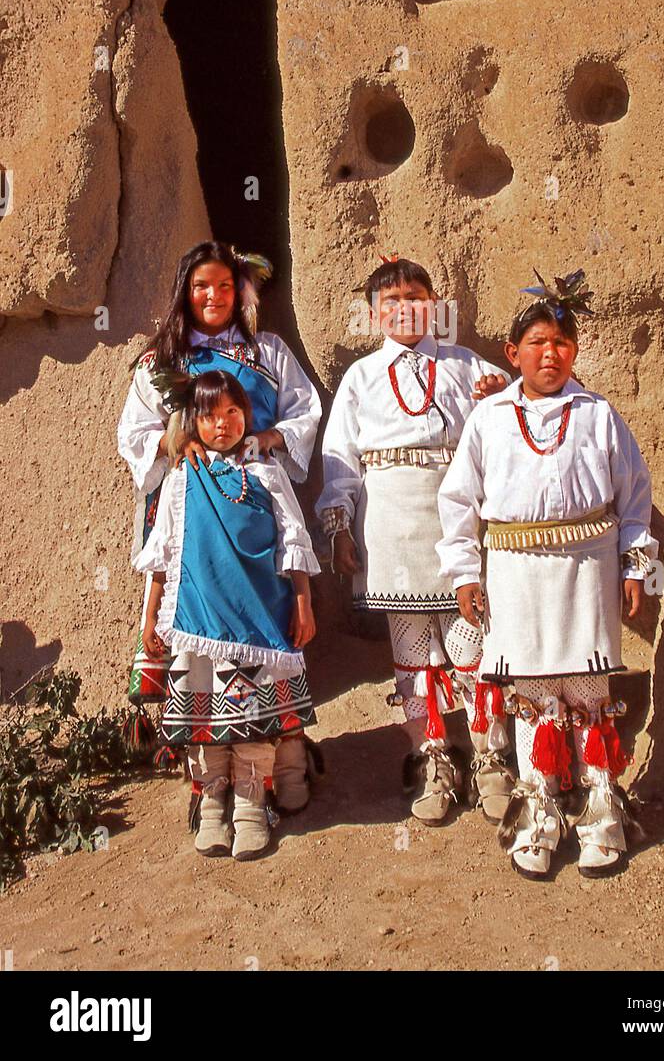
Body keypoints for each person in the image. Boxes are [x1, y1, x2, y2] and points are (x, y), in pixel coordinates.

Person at [436, 270, 657, 879]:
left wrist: (634, 565)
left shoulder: (599, 416)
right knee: (533, 699)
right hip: (513, 576)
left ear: (575, 351)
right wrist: (464, 572)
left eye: (561, 343)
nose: (549, 354)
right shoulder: (487, 420)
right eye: (536, 343)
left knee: (589, 699)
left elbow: (633, 497)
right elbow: (458, 502)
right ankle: (537, 814)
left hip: (587, 571)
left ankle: (602, 812)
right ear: (513, 354)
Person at [118, 240, 322, 812]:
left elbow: (304, 411)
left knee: (267, 634)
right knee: (198, 651)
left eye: (226, 286)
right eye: (202, 286)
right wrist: (173, 441)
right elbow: (134, 434)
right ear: (186, 291)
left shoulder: (270, 351)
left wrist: (266, 439)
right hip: (189, 522)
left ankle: (286, 767)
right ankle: (208, 786)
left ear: (242, 292)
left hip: (253, 518)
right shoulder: (162, 361)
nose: (214, 296)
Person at [315, 255, 513, 825]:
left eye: (414, 297)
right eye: (391, 301)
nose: (404, 309)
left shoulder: (463, 364)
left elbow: (503, 430)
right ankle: (430, 757)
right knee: (414, 655)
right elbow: (341, 460)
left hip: (452, 520)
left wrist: (498, 396)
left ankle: (490, 756)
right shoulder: (360, 378)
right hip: (389, 526)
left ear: (434, 304)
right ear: (374, 314)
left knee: (471, 649)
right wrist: (339, 529)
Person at [136, 369, 318, 860]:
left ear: (248, 416)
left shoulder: (267, 473)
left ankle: (251, 803)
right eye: (210, 416)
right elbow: (162, 555)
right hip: (199, 625)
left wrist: (302, 602)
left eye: (232, 413)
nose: (222, 424)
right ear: (193, 422)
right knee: (207, 725)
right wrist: (150, 619)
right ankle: (213, 802)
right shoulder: (180, 479)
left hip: (258, 620)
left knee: (254, 717)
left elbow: (293, 543)